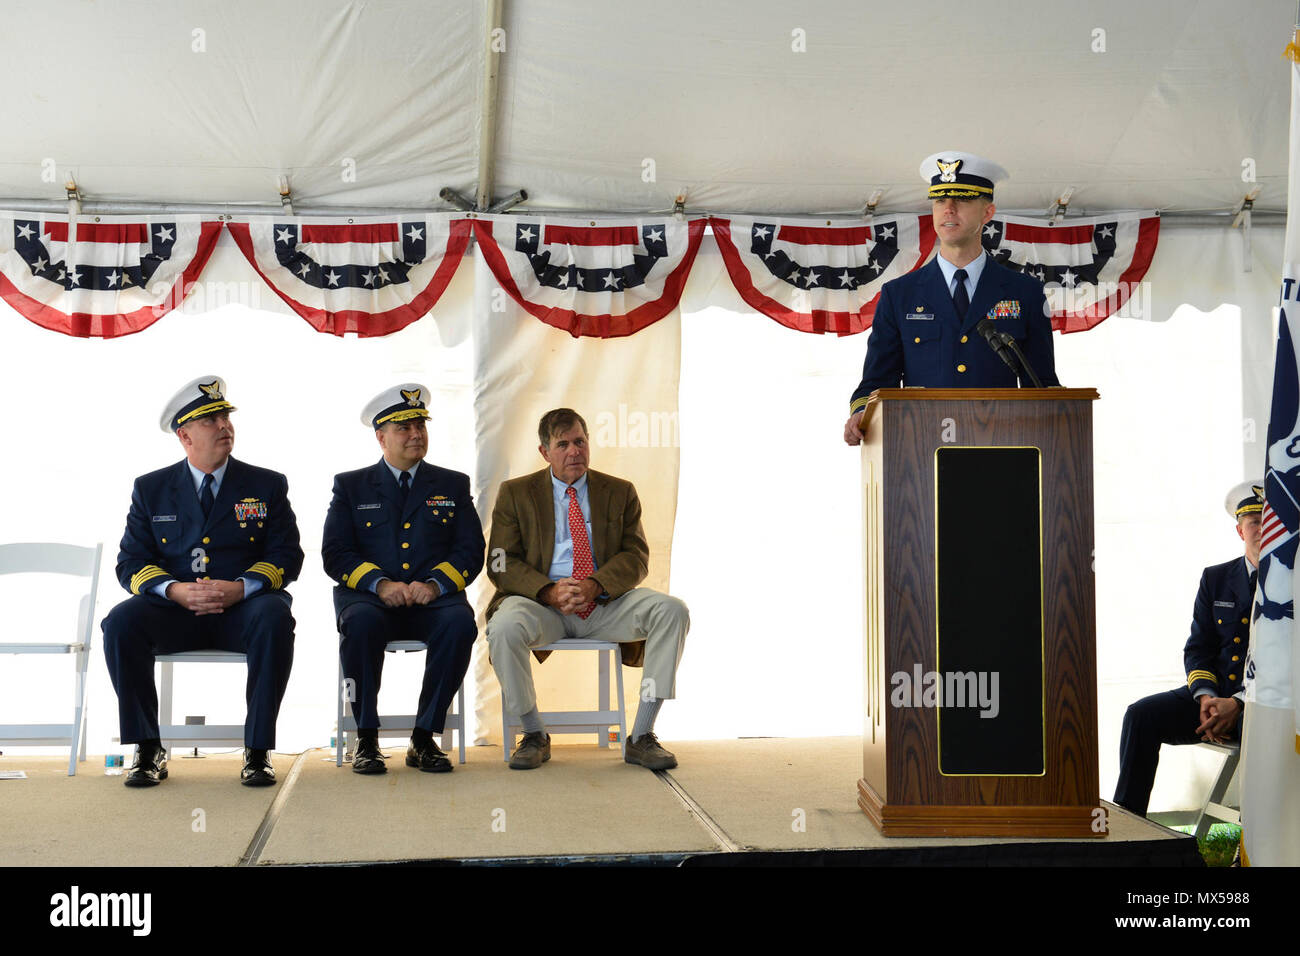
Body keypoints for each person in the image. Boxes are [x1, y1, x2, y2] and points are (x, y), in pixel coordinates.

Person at [101, 376, 304, 787]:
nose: (224, 425)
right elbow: (131, 561)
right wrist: (174, 590)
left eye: (226, 416)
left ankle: (258, 750)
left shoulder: (267, 484)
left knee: (274, 617)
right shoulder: (151, 488)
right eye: (211, 420)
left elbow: (287, 556)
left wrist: (241, 587)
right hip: (176, 611)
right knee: (121, 622)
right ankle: (146, 747)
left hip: (242, 610)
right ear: (185, 435)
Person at [485, 408, 689, 770]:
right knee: (503, 627)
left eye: (580, 441)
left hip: (605, 603)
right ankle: (534, 734)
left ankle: (641, 735)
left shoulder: (619, 491)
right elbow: (501, 562)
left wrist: (596, 585)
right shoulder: (515, 494)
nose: (574, 451)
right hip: (543, 606)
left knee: (672, 610)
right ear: (544, 451)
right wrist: (547, 590)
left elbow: (636, 556)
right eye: (562, 444)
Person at [843, 150, 1061, 446]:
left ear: (987, 212)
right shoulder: (899, 295)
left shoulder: (1025, 293)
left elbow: (1042, 384)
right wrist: (860, 413)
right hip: (920, 450)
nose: (949, 209)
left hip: (1003, 448)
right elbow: (878, 382)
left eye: (963, 199)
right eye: (940, 200)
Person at [321, 384, 484, 774]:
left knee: (460, 624)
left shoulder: (452, 484)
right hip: (370, 598)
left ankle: (425, 737)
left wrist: (433, 585)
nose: (416, 434)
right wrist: (380, 584)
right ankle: (366, 737)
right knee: (359, 625)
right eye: (403, 428)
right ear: (381, 437)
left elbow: (470, 550)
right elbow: (335, 553)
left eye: (420, 426)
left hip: (434, 598)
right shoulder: (351, 485)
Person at [1112, 480, 1262, 817]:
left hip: (1264, 707)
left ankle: (1261, 843)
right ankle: (1129, 827)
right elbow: (1198, 647)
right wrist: (1206, 698)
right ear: (1240, 530)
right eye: (1254, 521)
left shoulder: (1292, 582)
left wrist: (1238, 704)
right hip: (1210, 702)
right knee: (1141, 715)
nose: (1262, 529)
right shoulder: (1215, 578)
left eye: (1270, 519)